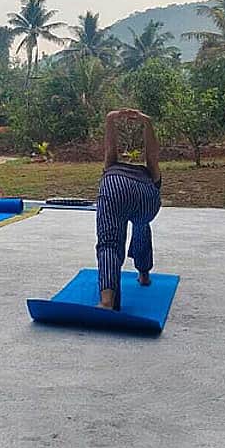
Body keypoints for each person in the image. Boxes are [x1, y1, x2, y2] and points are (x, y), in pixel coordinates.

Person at [95, 108, 162, 310]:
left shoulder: (111, 165)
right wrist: (147, 122)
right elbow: (152, 155)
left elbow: (110, 150)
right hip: (146, 198)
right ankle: (143, 274)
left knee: (109, 243)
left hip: (114, 188)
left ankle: (107, 301)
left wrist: (110, 120)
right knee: (141, 227)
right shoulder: (152, 173)